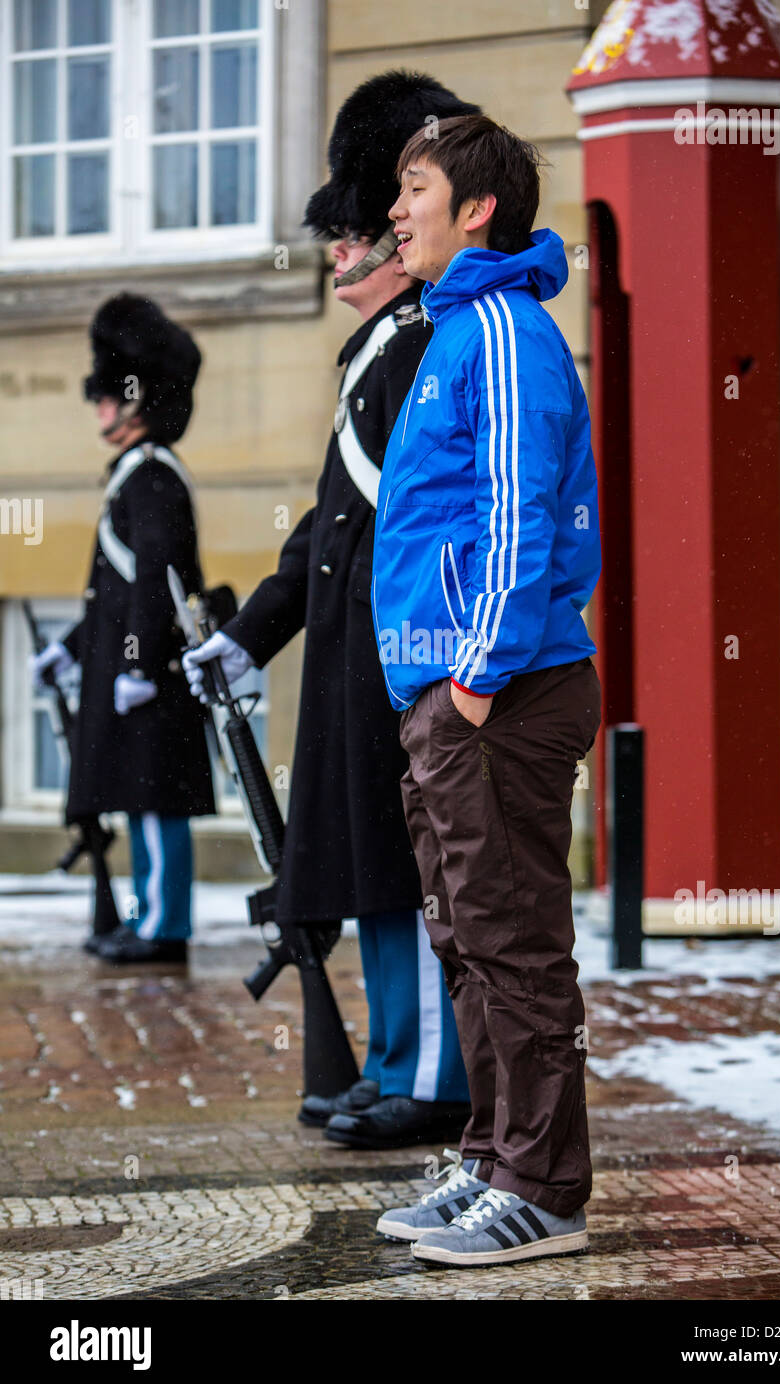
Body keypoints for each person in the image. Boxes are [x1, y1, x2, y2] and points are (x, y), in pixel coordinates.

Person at [183, 72, 479, 1149]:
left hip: (398, 650)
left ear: (390, 246)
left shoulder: (416, 348)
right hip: (356, 653)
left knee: (412, 869)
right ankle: (399, 1055)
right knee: (372, 870)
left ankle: (439, 1075)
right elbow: (324, 531)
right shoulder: (373, 355)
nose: (337, 253)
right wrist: (245, 634)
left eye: (352, 233)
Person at [373, 114, 603, 1263]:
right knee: (465, 936)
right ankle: (493, 1156)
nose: (392, 211)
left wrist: (471, 678)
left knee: (511, 941)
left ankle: (545, 1188)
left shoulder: (504, 328)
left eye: (411, 188)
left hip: (496, 694)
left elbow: (517, 512)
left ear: (474, 208)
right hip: (448, 692)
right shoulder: (451, 329)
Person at [31, 294, 215, 964]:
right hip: (136, 675)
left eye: (110, 396)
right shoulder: (135, 477)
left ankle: (165, 927)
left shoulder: (153, 478)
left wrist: (137, 666)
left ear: (139, 403)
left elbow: (155, 584)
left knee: (156, 806)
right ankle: (148, 918)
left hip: (152, 678)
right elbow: (112, 593)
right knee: (138, 802)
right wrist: (68, 649)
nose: (101, 408)